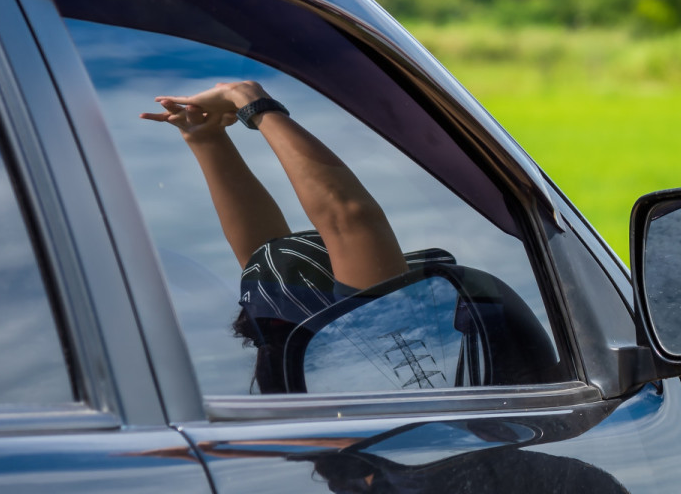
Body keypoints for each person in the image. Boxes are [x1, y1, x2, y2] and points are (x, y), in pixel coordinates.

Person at [141, 79, 551, 392]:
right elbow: (346, 217)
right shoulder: (372, 336)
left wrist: (208, 139)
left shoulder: (295, 377)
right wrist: (253, 103)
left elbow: (266, 259)